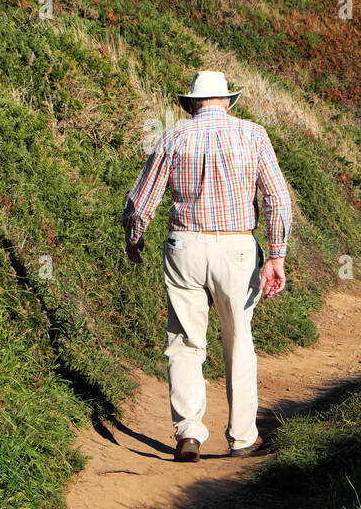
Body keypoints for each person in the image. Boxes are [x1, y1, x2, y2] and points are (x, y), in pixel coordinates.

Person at [122, 70, 292, 462]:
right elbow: (278, 199)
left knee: (184, 341)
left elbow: (139, 202)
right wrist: (277, 254)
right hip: (236, 246)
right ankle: (243, 437)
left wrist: (134, 240)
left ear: (192, 104)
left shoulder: (173, 136)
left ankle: (189, 433)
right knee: (239, 341)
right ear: (228, 102)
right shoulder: (253, 135)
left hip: (185, 245)